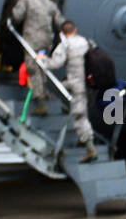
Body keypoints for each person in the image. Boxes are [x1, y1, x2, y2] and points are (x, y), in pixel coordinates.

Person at [40, 20, 98, 162]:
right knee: (82, 110)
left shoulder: (65, 45)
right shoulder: (85, 42)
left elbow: (55, 63)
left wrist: (42, 60)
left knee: (79, 115)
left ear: (62, 33)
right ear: (75, 29)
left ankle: (90, 148)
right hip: (88, 83)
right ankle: (81, 138)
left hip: (76, 84)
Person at [10, 0, 62, 116]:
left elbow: (16, 17)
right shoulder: (51, 4)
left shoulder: (27, 0)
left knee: (32, 68)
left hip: (32, 40)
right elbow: (60, 23)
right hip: (46, 41)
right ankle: (44, 92)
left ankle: (40, 102)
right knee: (42, 66)